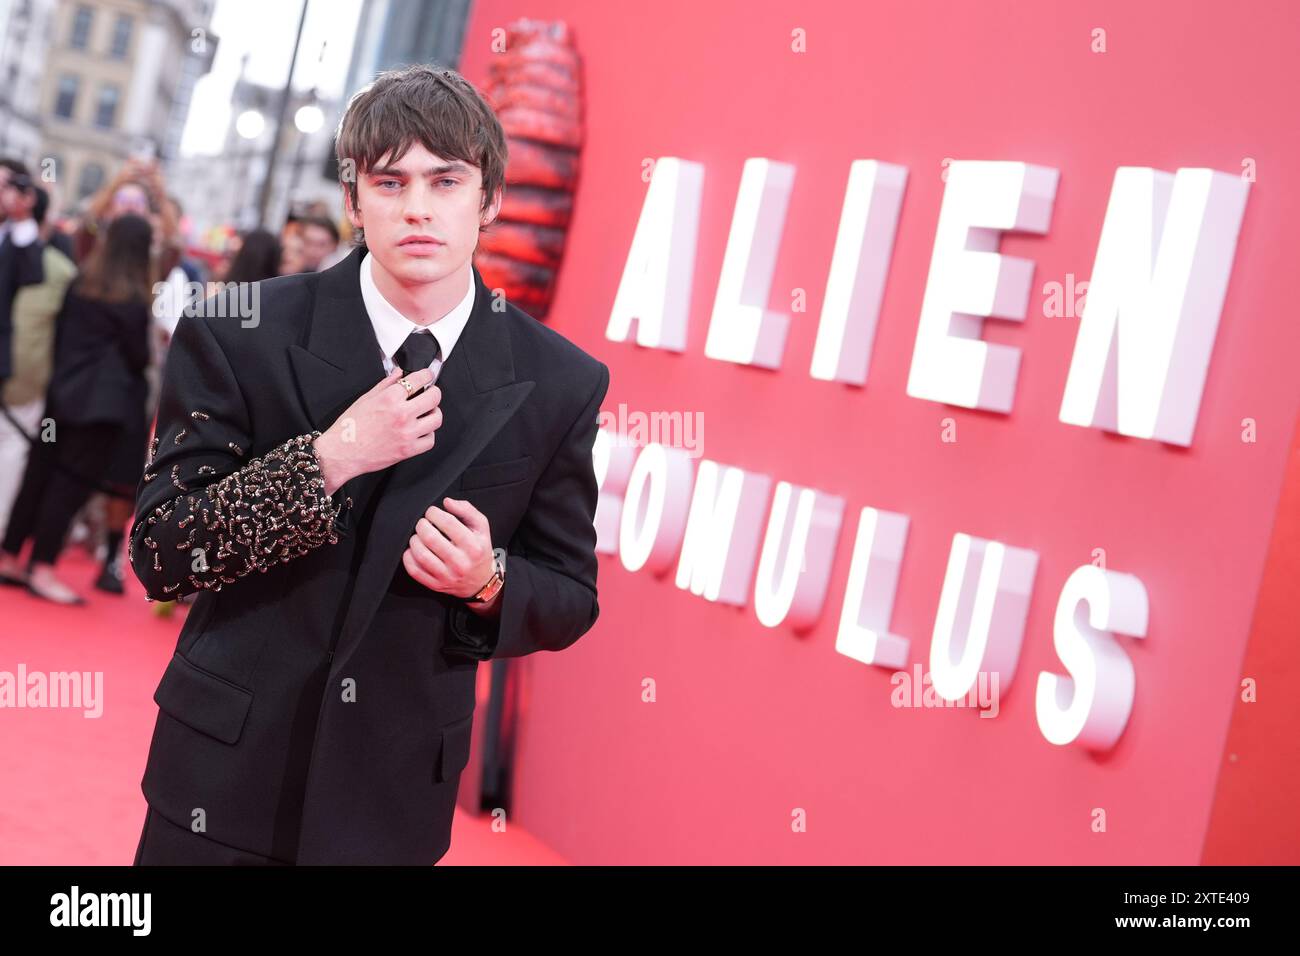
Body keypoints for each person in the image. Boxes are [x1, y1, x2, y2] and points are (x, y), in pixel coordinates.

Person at [129, 63, 609, 865]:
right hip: (222, 780)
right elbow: (162, 551)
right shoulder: (238, 332)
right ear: (354, 200)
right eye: (390, 183)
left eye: (446, 182)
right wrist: (327, 460)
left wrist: (487, 579)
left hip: (392, 795)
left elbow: (570, 594)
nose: (418, 208)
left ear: (489, 199)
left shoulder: (560, 381)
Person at [0, 214, 153, 603]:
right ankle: (43, 567)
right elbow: (139, 357)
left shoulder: (80, 283)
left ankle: (10, 556)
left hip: (59, 400)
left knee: (39, 472)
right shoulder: (133, 300)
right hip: (99, 411)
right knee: (68, 484)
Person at [0, 185, 78, 542]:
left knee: (12, 449)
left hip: (23, 377)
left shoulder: (53, 267)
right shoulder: (57, 266)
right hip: (27, 376)